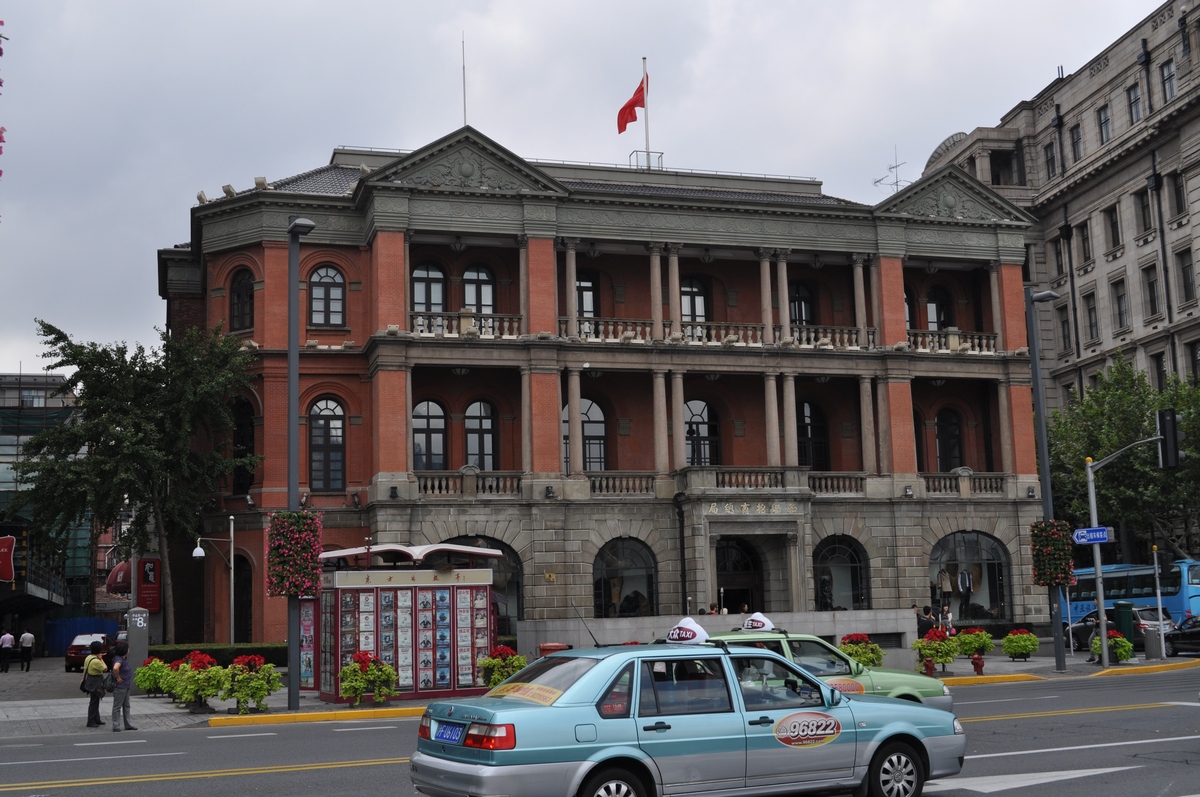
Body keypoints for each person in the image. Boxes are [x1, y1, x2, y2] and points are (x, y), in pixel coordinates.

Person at [110, 641, 137, 732]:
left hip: (126, 686)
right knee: (117, 706)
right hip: (120, 687)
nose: (129, 650)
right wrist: (118, 677)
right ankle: (116, 725)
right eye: (127, 648)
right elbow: (115, 668)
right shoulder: (119, 660)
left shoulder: (122, 659)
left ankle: (128, 724)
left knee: (126, 705)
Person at [83, 640, 108, 728]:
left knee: (95, 700)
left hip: (90, 680)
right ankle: (91, 721)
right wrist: (101, 659)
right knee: (94, 702)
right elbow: (105, 668)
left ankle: (96, 719)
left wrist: (82, 679)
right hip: (96, 681)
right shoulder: (96, 661)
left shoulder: (88, 657)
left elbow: (85, 669)